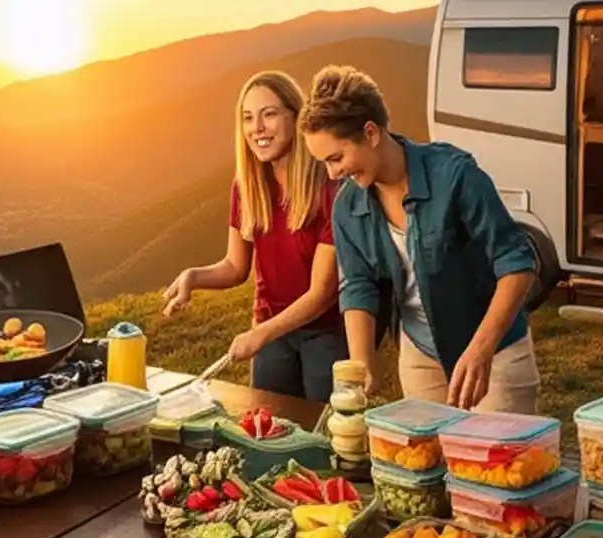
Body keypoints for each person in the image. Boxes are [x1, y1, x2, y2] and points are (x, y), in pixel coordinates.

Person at [298, 65, 541, 413]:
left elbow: (517, 263)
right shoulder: (346, 205)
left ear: (370, 133)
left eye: (336, 158)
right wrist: (362, 362)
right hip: (420, 356)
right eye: (324, 163)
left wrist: (481, 349)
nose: (333, 173)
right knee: (424, 464)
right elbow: (357, 284)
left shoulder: (455, 175)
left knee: (494, 464)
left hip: (494, 349)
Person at [164, 71, 347, 402]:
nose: (257, 128)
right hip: (271, 334)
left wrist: (258, 334)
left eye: (269, 114)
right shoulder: (246, 187)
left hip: (325, 333)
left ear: (297, 117)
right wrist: (194, 277)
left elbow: (321, 293)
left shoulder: (328, 188)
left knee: (326, 436)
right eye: (248, 118)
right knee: (269, 433)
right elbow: (236, 266)